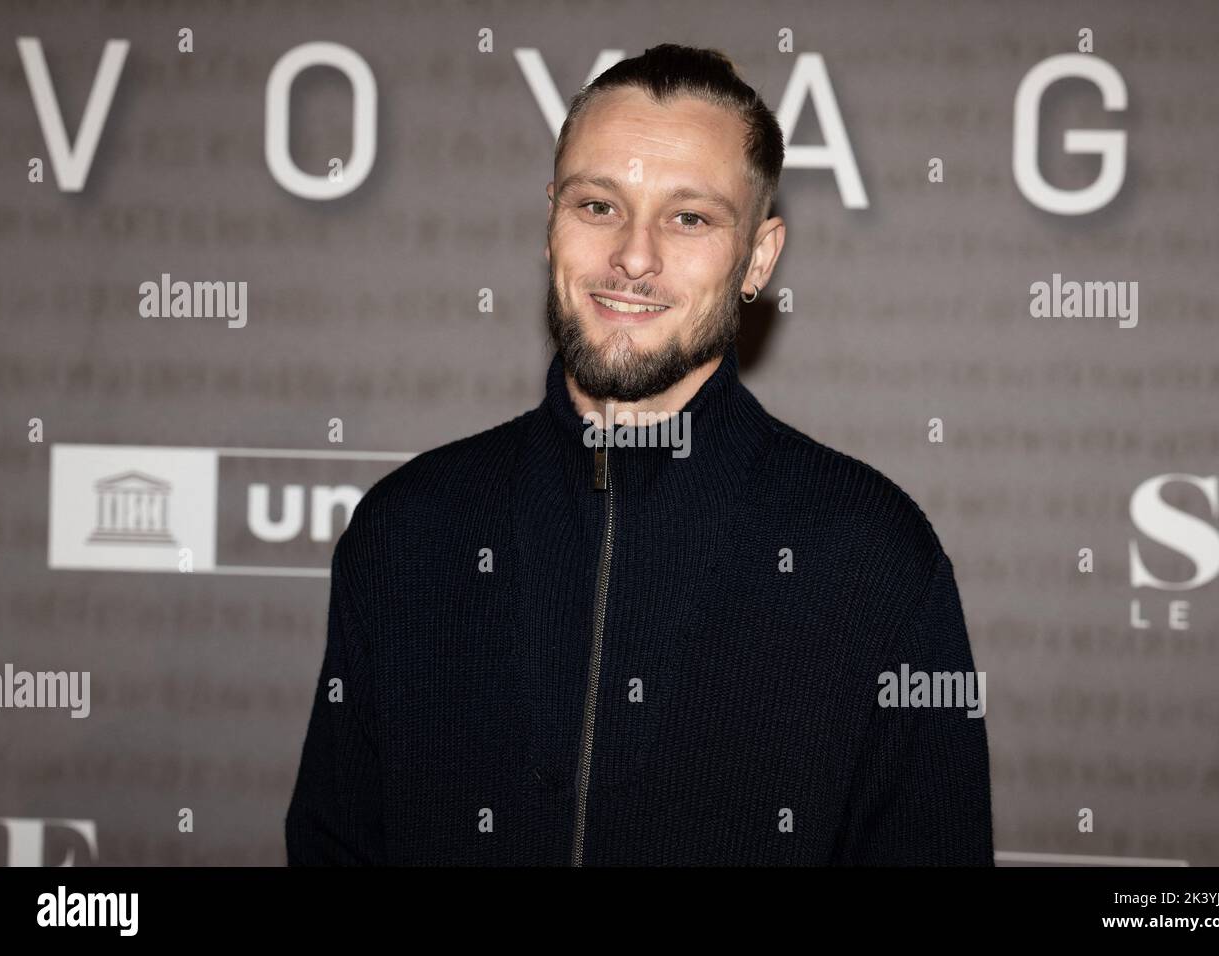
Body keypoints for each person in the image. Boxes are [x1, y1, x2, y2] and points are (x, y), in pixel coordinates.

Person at [285, 43, 993, 866]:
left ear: (758, 258)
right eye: (598, 206)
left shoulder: (873, 558)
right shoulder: (407, 531)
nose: (634, 255)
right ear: (551, 221)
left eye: (689, 217)